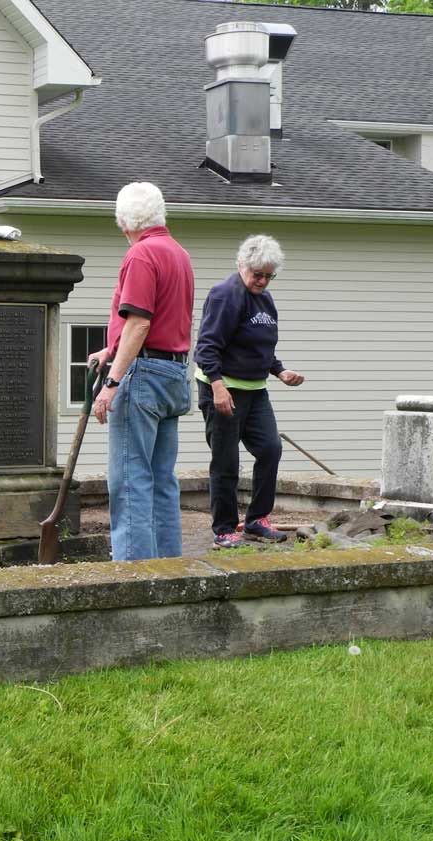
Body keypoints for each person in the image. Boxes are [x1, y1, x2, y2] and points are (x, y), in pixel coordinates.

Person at [87, 182, 195, 561]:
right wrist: (111, 349)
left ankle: (134, 581)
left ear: (125, 221)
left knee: (129, 482)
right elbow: (159, 320)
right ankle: (168, 571)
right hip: (174, 374)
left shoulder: (141, 255)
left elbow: (140, 324)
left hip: (143, 376)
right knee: (162, 480)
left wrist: (112, 382)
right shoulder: (178, 253)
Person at [193, 235, 305, 549]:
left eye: (269, 275)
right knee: (226, 461)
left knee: (270, 449)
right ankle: (224, 529)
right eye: (257, 274)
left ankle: (257, 520)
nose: (263, 280)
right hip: (223, 389)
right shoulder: (225, 294)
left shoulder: (265, 301)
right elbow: (206, 348)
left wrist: (280, 371)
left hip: (256, 390)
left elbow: (262, 347)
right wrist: (217, 386)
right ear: (242, 266)